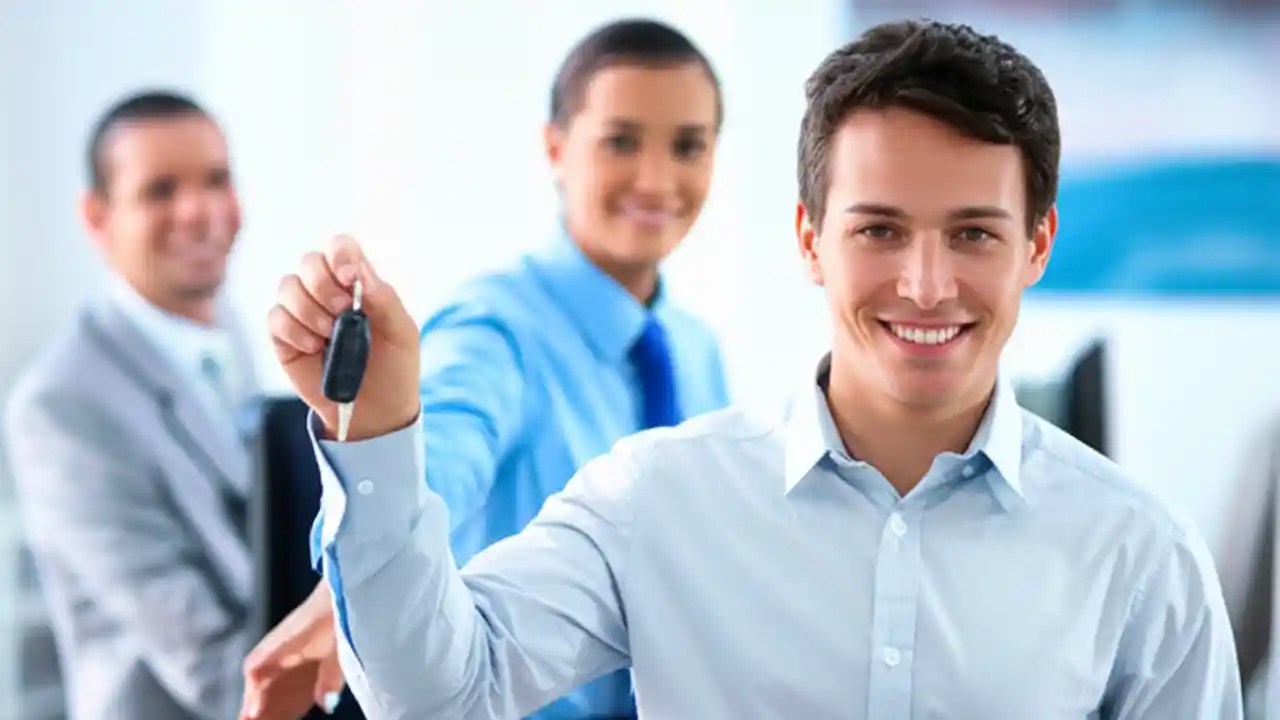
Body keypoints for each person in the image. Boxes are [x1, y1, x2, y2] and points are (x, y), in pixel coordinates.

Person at [264, 18, 1244, 719]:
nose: (924, 284)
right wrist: (379, 433)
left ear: (1037, 245)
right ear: (810, 240)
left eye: (973, 234)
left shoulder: (1141, 558)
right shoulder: (655, 494)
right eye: (879, 229)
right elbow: (435, 696)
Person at [241, 18, 730, 720]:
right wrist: (346, 592)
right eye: (621, 141)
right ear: (556, 149)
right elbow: (440, 451)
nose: (656, 180)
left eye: (688, 146)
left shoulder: (695, 348)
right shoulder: (495, 326)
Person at [1, 92, 311, 719]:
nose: (199, 211)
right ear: (97, 218)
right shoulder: (62, 405)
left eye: (216, 180)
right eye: (160, 191)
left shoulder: (225, 328)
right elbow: (210, 664)